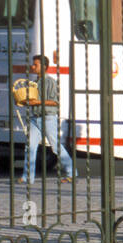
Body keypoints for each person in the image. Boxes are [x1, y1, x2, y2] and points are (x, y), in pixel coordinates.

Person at [17, 54, 75, 184]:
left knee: (56, 147)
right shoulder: (35, 82)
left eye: (35, 65)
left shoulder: (50, 82)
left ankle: (72, 173)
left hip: (48, 118)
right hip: (35, 118)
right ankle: (27, 177)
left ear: (44, 67)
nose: (33, 67)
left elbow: (54, 102)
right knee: (30, 147)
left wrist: (36, 102)